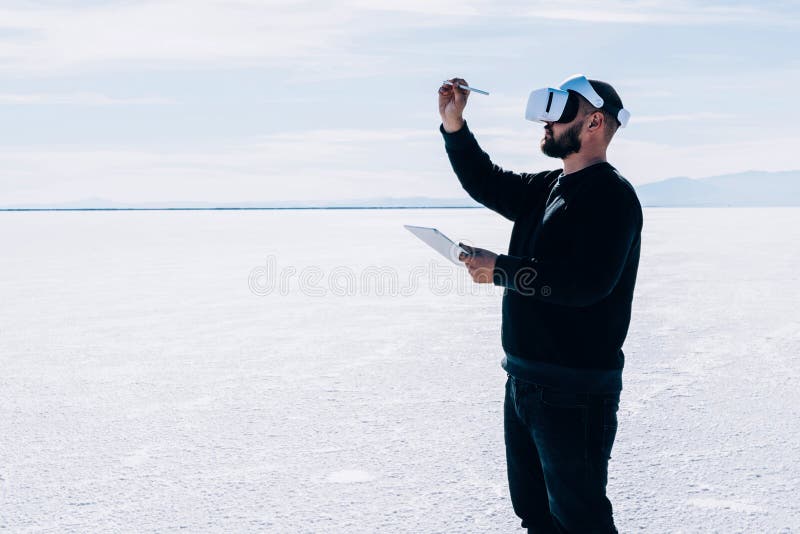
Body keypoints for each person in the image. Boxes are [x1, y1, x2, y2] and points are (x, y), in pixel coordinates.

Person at [438, 75, 642, 533]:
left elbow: (586, 283)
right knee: (536, 515)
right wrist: (455, 126)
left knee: (580, 519)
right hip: (525, 381)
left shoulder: (611, 196)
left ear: (593, 122)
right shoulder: (548, 186)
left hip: (574, 392)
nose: (545, 124)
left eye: (557, 113)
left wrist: (502, 270)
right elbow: (485, 181)